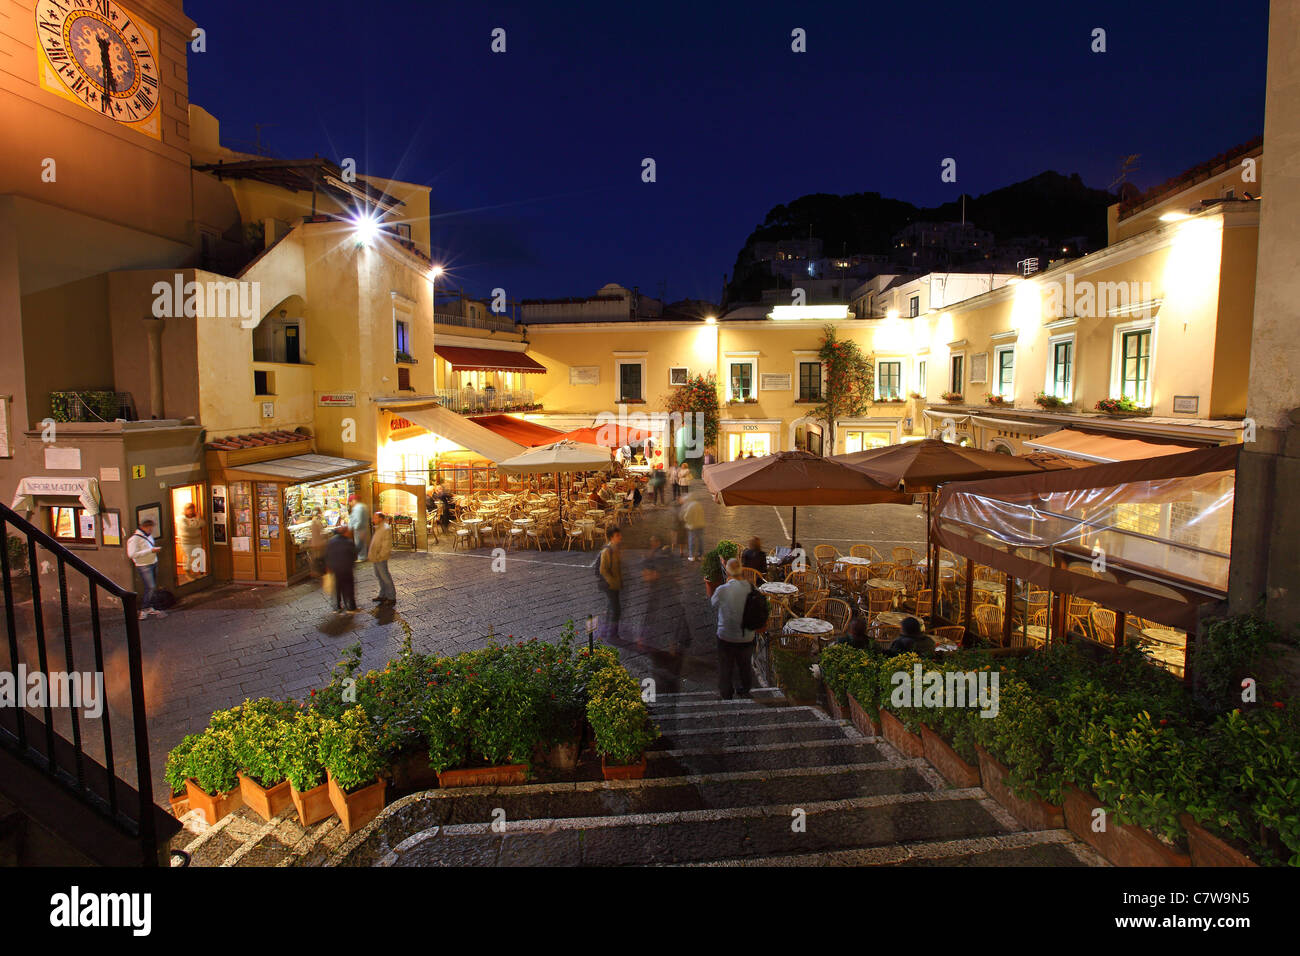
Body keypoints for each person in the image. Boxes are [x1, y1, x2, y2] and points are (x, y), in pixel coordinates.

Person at [710, 558, 756, 699]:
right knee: (745, 665)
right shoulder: (750, 588)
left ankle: (726, 693)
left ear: (728, 571)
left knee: (726, 666)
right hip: (747, 635)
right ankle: (745, 689)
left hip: (726, 635)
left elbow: (713, 603)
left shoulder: (723, 589)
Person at [126, 518, 166, 620]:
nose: (151, 530)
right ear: (144, 527)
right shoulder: (135, 539)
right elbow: (131, 554)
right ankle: (144, 609)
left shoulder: (148, 536)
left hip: (153, 563)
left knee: (151, 587)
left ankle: (150, 607)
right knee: (151, 587)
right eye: (150, 528)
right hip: (143, 565)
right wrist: (150, 551)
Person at [597, 525, 623, 640]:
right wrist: (612, 581)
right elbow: (603, 569)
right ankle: (612, 634)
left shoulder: (615, 549)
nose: (620, 537)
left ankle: (605, 630)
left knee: (611, 608)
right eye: (617, 535)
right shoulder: (607, 551)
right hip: (611, 585)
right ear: (611, 538)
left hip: (615, 584)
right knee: (616, 610)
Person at [325, 527, 358, 613]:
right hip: (346, 568)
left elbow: (327, 555)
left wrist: (329, 567)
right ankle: (351, 607)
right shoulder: (348, 542)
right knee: (348, 588)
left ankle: (337, 607)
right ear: (345, 533)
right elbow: (354, 555)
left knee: (337, 588)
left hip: (335, 569)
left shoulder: (331, 541)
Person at [369, 511, 396, 604]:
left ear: (380, 519)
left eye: (375, 518)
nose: (373, 519)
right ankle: (383, 594)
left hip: (380, 557)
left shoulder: (385, 529)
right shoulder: (379, 528)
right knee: (379, 576)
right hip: (376, 557)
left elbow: (386, 545)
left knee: (385, 576)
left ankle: (391, 596)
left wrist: (380, 556)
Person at [176, 503, 204, 582]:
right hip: (186, 541)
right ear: (186, 510)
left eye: (192, 509)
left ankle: (195, 574)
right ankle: (187, 574)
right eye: (189, 509)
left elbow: (203, 524)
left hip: (197, 540)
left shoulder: (196, 517)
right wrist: (197, 525)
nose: (191, 511)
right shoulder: (181, 519)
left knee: (197, 557)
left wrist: (197, 520)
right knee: (188, 557)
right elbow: (188, 529)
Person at [680, 489, 706, 561]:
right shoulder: (698, 504)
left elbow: (686, 516)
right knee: (701, 540)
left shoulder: (690, 506)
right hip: (701, 525)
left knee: (691, 541)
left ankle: (692, 556)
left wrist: (686, 521)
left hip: (692, 526)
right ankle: (701, 555)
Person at [348, 494, 371, 561]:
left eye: (350, 502)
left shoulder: (358, 508)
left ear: (353, 501)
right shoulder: (363, 506)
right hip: (363, 528)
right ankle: (362, 556)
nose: (350, 504)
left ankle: (361, 557)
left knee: (359, 543)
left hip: (359, 529)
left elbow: (358, 520)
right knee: (362, 543)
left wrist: (354, 527)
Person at [309, 510, 327, 576]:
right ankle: (320, 571)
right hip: (319, 543)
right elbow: (322, 531)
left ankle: (315, 572)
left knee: (315, 558)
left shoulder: (312, 522)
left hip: (314, 543)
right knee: (319, 557)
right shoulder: (317, 521)